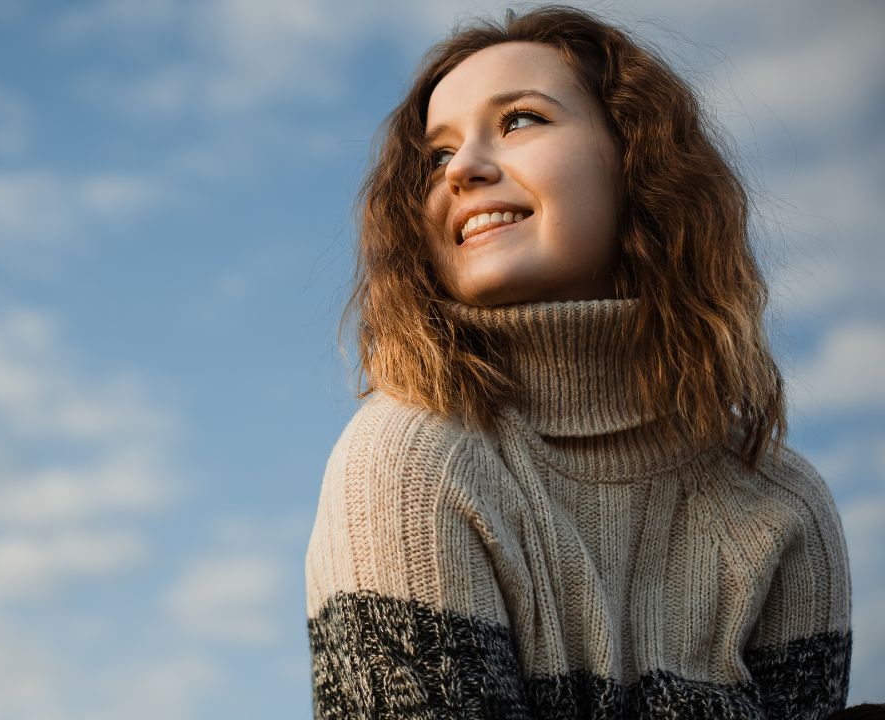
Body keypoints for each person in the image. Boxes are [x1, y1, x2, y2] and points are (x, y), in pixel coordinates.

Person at [304, 4, 854, 718]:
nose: (462, 170)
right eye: (435, 156)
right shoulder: (409, 460)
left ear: (635, 157)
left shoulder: (784, 504)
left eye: (520, 120)